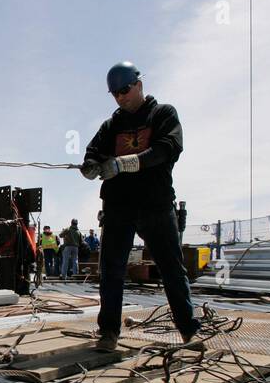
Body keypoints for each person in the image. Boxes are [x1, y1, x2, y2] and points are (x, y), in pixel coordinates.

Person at [82, 61, 199, 350]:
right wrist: (90, 165)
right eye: (115, 94)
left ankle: (189, 331)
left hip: (155, 205)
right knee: (111, 270)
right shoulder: (111, 126)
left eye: (124, 90)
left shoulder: (163, 114)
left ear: (139, 84)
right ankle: (109, 332)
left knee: (171, 269)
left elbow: (166, 149)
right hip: (118, 207)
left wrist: (123, 163)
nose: (120, 97)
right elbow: (93, 152)